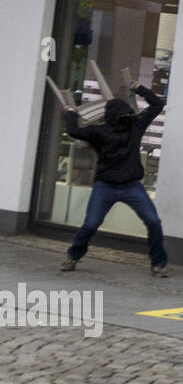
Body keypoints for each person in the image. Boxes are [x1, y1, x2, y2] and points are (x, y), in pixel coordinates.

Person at [61, 84, 170, 276]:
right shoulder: (106, 131)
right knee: (91, 224)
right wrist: (138, 88)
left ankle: (158, 264)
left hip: (131, 186)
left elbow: (157, 104)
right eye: (125, 114)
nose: (127, 117)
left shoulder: (133, 126)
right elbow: (74, 132)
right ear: (117, 115)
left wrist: (70, 113)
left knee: (153, 221)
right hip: (106, 186)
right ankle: (73, 256)